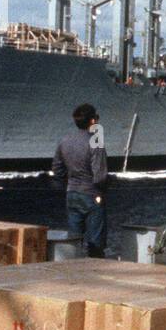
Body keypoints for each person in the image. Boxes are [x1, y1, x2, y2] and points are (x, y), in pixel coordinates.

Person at [53, 102, 109, 257]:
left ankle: (73, 269)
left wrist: (70, 181)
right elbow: (100, 176)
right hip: (92, 194)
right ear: (92, 121)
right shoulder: (95, 142)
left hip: (72, 193)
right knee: (96, 242)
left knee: (74, 240)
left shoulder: (64, 141)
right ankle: (95, 272)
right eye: (96, 117)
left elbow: (57, 169)